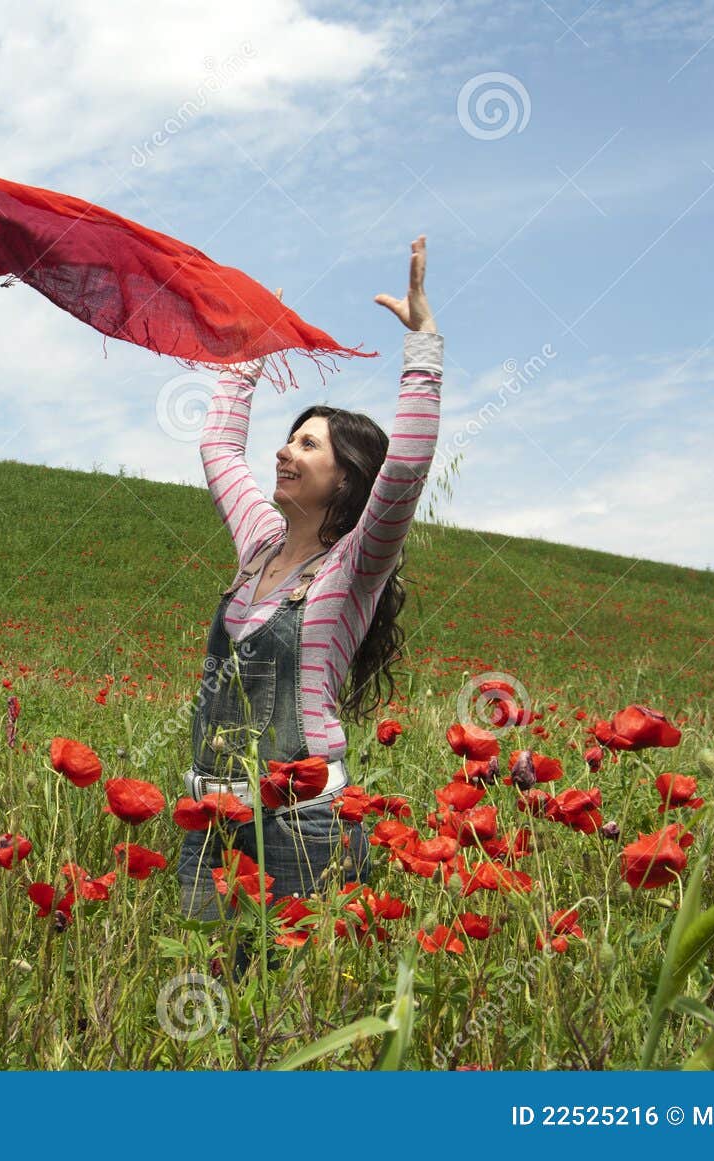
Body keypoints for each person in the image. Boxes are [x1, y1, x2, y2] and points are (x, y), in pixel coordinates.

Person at [174, 235, 443, 950]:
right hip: (211, 813)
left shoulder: (354, 565)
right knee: (211, 1003)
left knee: (287, 1013)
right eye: (289, 437)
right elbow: (218, 448)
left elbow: (409, 468)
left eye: (308, 444)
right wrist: (252, 346)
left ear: (346, 480)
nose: (284, 450)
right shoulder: (260, 540)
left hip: (304, 824)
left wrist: (423, 349)